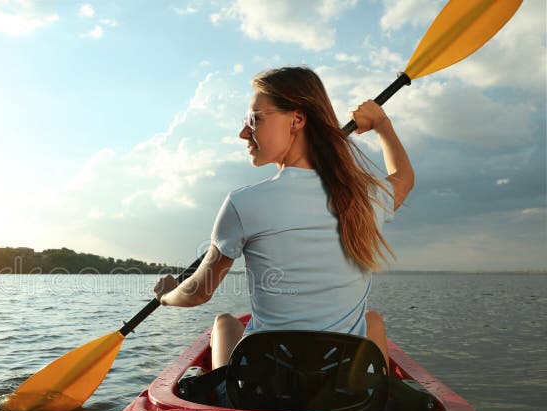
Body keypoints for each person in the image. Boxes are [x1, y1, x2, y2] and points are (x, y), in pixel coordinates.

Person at [153, 66, 414, 374]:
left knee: (224, 323)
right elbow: (404, 178)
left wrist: (166, 295)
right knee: (372, 321)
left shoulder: (242, 202)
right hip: (346, 395)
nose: (243, 133)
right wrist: (382, 124)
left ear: (297, 119)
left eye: (255, 119)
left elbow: (199, 291)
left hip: (264, 390)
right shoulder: (364, 197)